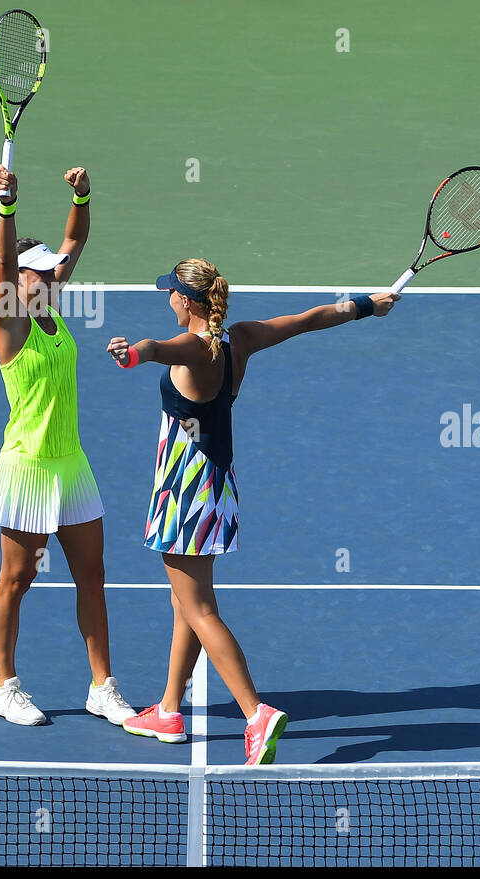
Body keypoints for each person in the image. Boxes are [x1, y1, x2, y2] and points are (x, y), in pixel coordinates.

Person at [107, 260, 397, 763]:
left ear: (188, 301)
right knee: (186, 604)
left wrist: (131, 354)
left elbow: (156, 350)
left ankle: (254, 713)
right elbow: (309, 318)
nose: (167, 300)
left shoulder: (194, 347)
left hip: (184, 489)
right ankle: (170, 710)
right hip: (216, 487)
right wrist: (366, 307)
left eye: (171, 294)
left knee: (198, 608)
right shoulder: (240, 338)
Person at [0, 163, 135, 729]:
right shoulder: (11, 322)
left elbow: (75, 239)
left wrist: (83, 194)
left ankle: (103, 687)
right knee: (16, 581)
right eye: (37, 272)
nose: (51, 276)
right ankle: (4, 685)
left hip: (72, 466)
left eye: (49, 272)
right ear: (15, 279)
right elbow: (3, 274)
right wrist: (6, 209)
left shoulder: (48, 309)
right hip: (27, 469)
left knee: (91, 576)